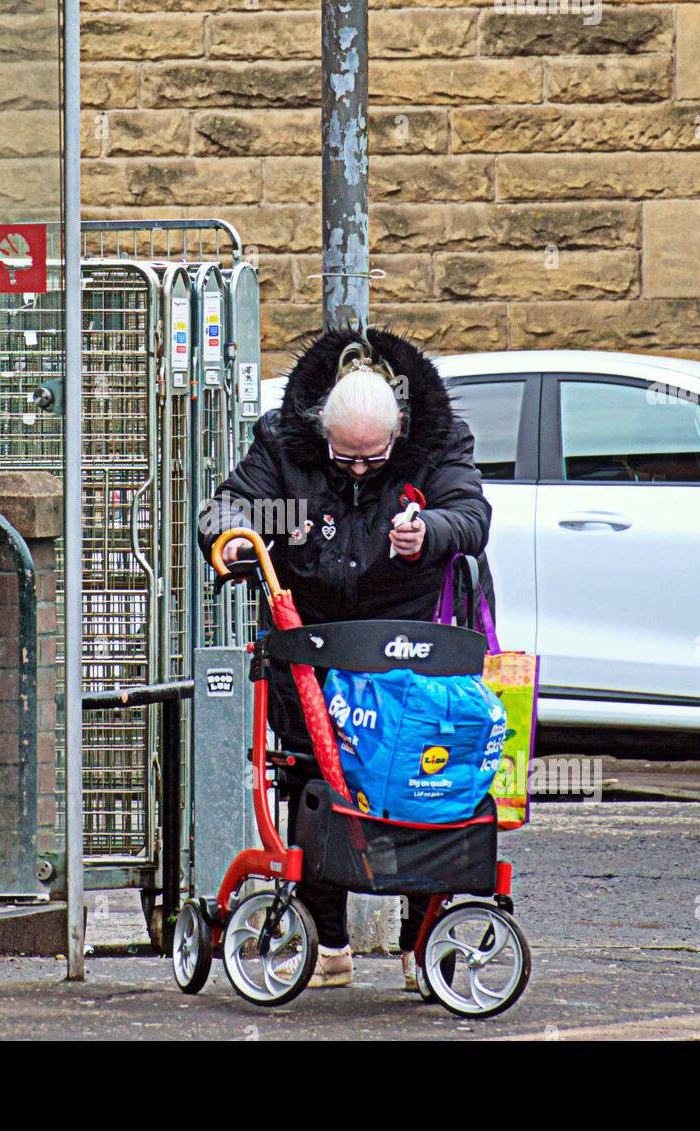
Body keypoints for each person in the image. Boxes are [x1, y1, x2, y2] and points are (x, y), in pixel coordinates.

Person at [198, 325, 494, 989]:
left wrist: (429, 531)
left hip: (407, 645)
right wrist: (237, 538)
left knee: (423, 788)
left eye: (373, 458)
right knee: (313, 785)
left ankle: (424, 946)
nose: (358, 469)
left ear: (399, 433)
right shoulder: (284, 441)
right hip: (312, 641)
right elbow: (229, 505)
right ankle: (326, 942)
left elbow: (471, 514)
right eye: (344, 457)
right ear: (321, 430)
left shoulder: (438, 441)